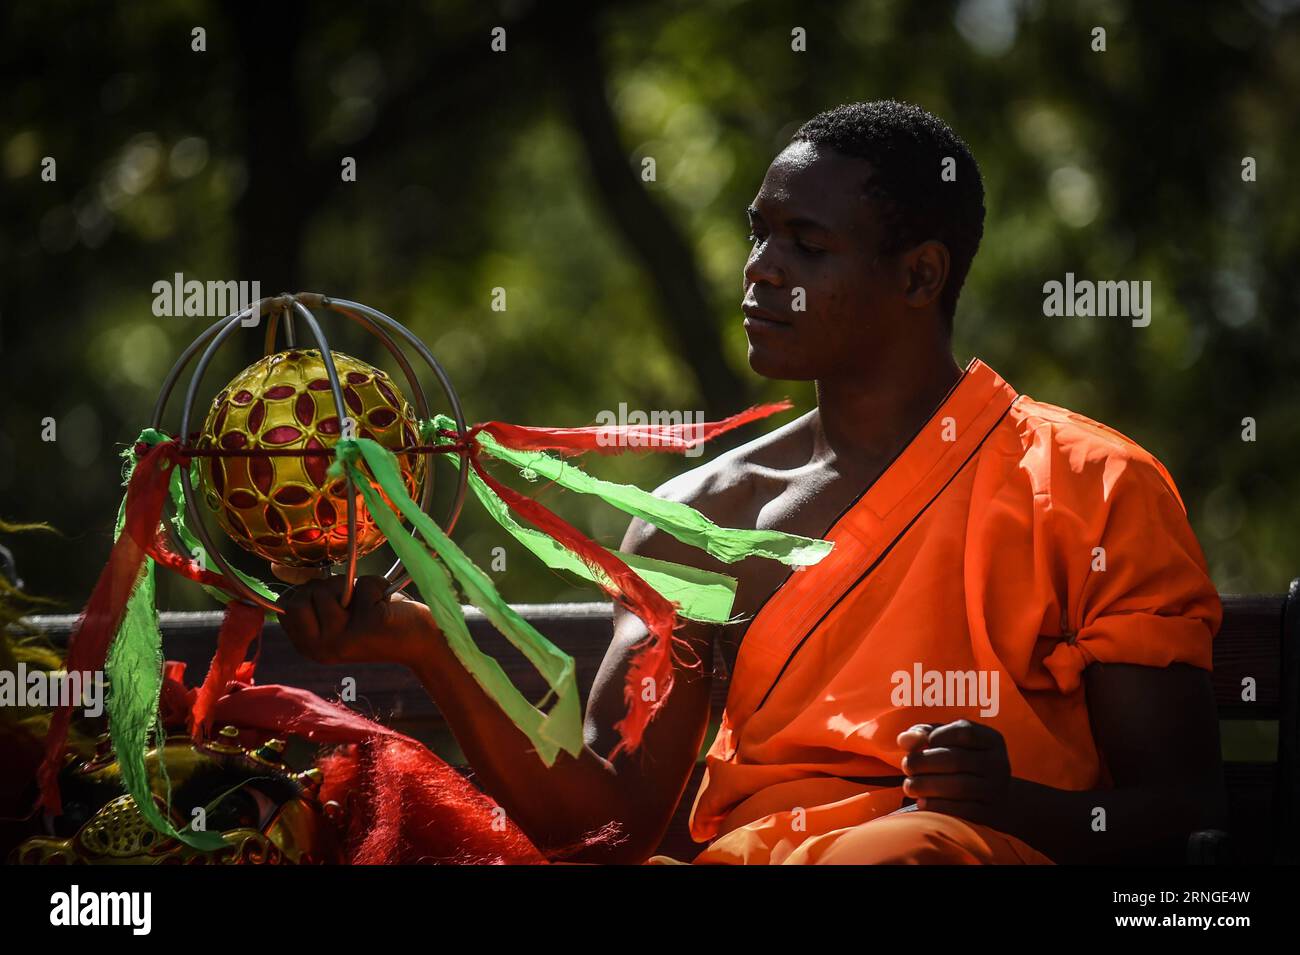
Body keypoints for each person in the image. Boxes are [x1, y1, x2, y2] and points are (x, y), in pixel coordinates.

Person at [277, 101, 1225, 864]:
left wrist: (1020, 806)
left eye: (807, 246)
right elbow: (610, 826)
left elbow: (1183, 804)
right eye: (758, 234)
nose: (761, 271)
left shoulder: (1094, 483)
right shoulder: (699, 518)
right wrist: (426, 644)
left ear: (920, 275)